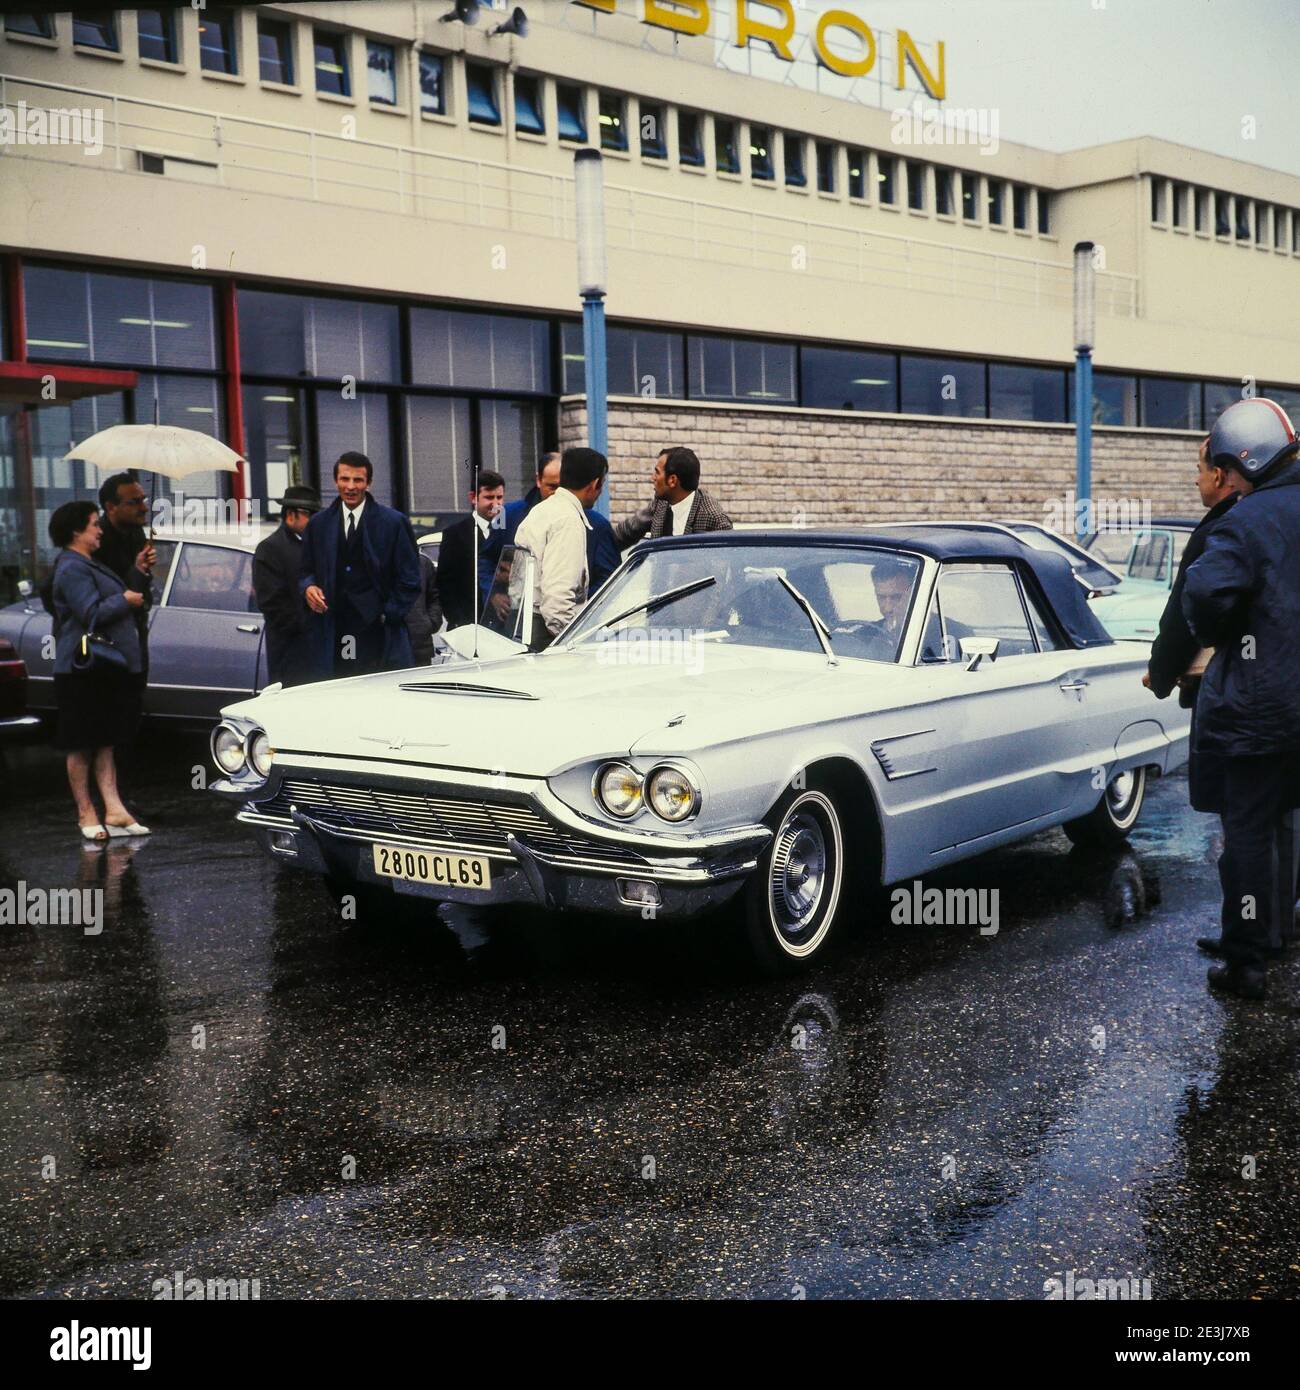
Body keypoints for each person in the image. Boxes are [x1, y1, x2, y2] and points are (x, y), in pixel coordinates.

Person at [1182, 397, 1300, 1000]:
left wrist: (1225, 636)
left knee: (1249, 833)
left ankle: (1247, 959)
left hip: (1262, 708)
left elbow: (1204, 597)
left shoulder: (1245, 521)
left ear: (1241, 462)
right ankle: (1280, 929)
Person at [1143, 439, 1238, 823]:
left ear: (1217, 474)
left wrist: (1162, 673)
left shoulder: (1217, 530)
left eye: (1199, 472)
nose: (1196, 482)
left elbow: (1184, 614)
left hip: (1230, 694)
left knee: (1241, 820)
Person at [47, 500, 150, 843]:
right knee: (81, 744)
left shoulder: (87, 563)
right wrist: (126, 601)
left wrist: (136, 571)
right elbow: (90, 611)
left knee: (105, 741)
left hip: (101, 669)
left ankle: (115, 809)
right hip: (81, 669)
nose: (99, 529)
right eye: (94, 524)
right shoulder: (71, 567)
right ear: (76, 531)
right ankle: (85, 812)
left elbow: (115, 595)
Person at [299, 452, 422, 677]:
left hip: (378, 634)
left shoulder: (393, 523)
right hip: (333, 630)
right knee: (339, 694)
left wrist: (388, 614)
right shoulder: (318, 524)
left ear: (369, 483)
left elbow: (411, 579)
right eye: (345, 479)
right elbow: (305, 570)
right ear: (336, 480)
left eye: (358, 480)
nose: (351, 486)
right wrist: (308, 587)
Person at [514, 447, 608, 649]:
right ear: (595, 484)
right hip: (548, 637)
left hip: (525, 625)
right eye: (602, 485)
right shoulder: (568, 521)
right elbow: (557, 604)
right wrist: (572, 645)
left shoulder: (542, 509)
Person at [94, 472, 156, 768]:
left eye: (143, 500)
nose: (143, 507)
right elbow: (108, 597)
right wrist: (136, 571)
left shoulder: (136, 535)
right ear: (111, 506)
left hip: (134, 639)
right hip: (106, 646)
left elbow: (142, 596)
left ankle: (123, 799)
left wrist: (143, 572)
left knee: (131, 717)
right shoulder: (95, 542)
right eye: (134, 502)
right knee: (109, 723)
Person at [502, 452, 622, 593]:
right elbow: (559, 598)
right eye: (552, 486)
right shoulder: (568, 521)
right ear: (595, 484)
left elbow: (608, 578)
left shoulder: (539, 512)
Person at [252, 484, 321, 686]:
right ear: (291, 515)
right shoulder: (269, 549)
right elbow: (272, 604)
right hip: (291, 652)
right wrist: (310, 628)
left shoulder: (315, 544)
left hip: (319, 652)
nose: (316, 520)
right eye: (311, 515)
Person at [612, 446, 733, 545]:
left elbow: (723, 567)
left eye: (657, 472)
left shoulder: (714, 519)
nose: (652, 478)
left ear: (672, 480)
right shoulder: (659, 504)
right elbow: (624, 533)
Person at [435, 469, 505, 630]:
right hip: (467, 627)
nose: (496, 504)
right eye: (489, 497)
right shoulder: (454, 534)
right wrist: (459, 621)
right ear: (473, 498)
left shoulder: (509, 531)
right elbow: (445, 584)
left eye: (499, 497)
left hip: (503, 627)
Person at [405, 548, 442, 665]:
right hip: (388, 644)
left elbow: (434, 597)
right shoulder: (378, 560)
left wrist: (430, 623)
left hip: (420, 644)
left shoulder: (423, 562)